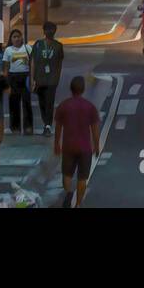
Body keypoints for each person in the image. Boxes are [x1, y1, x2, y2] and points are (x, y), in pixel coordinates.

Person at [54, 75, 101, 207]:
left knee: (67, 174)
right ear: (83, 89)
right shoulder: (90, 107)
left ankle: (68, 193)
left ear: (71, 89)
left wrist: (56, 144)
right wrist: (96, 146)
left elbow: (58, 127)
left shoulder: (63, 105)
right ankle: (78, 204)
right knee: (82, 178)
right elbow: (95, 129)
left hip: (68, 146)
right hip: (85, 148)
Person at [31, 22, 65, 135]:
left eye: (52, 29)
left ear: (55, 31)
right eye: (47, 29)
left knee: (50, 102)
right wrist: (32, 78)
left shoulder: (58, 46)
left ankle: (48, 125)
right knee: (42, 102)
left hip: (52, 79)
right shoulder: (38, 44)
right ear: (44, 31)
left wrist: (57, 78)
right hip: (40, 78)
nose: (49, 32)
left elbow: (59, 63)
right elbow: (33, 62)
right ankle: (45, 122)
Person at [3, 28, 33, 135]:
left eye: (18, 36)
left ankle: (28, 127)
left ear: (22, 38)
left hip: (25, 76)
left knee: (26, 102)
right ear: (11, 39)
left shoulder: (28, 48)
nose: (16, 39)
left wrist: (32, 79)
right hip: (13, 78)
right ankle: (15, 127)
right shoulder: (8, 50)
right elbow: (6, 68)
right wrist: (6, 84)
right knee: (13, 103)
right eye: (14, 37)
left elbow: (32, 64)